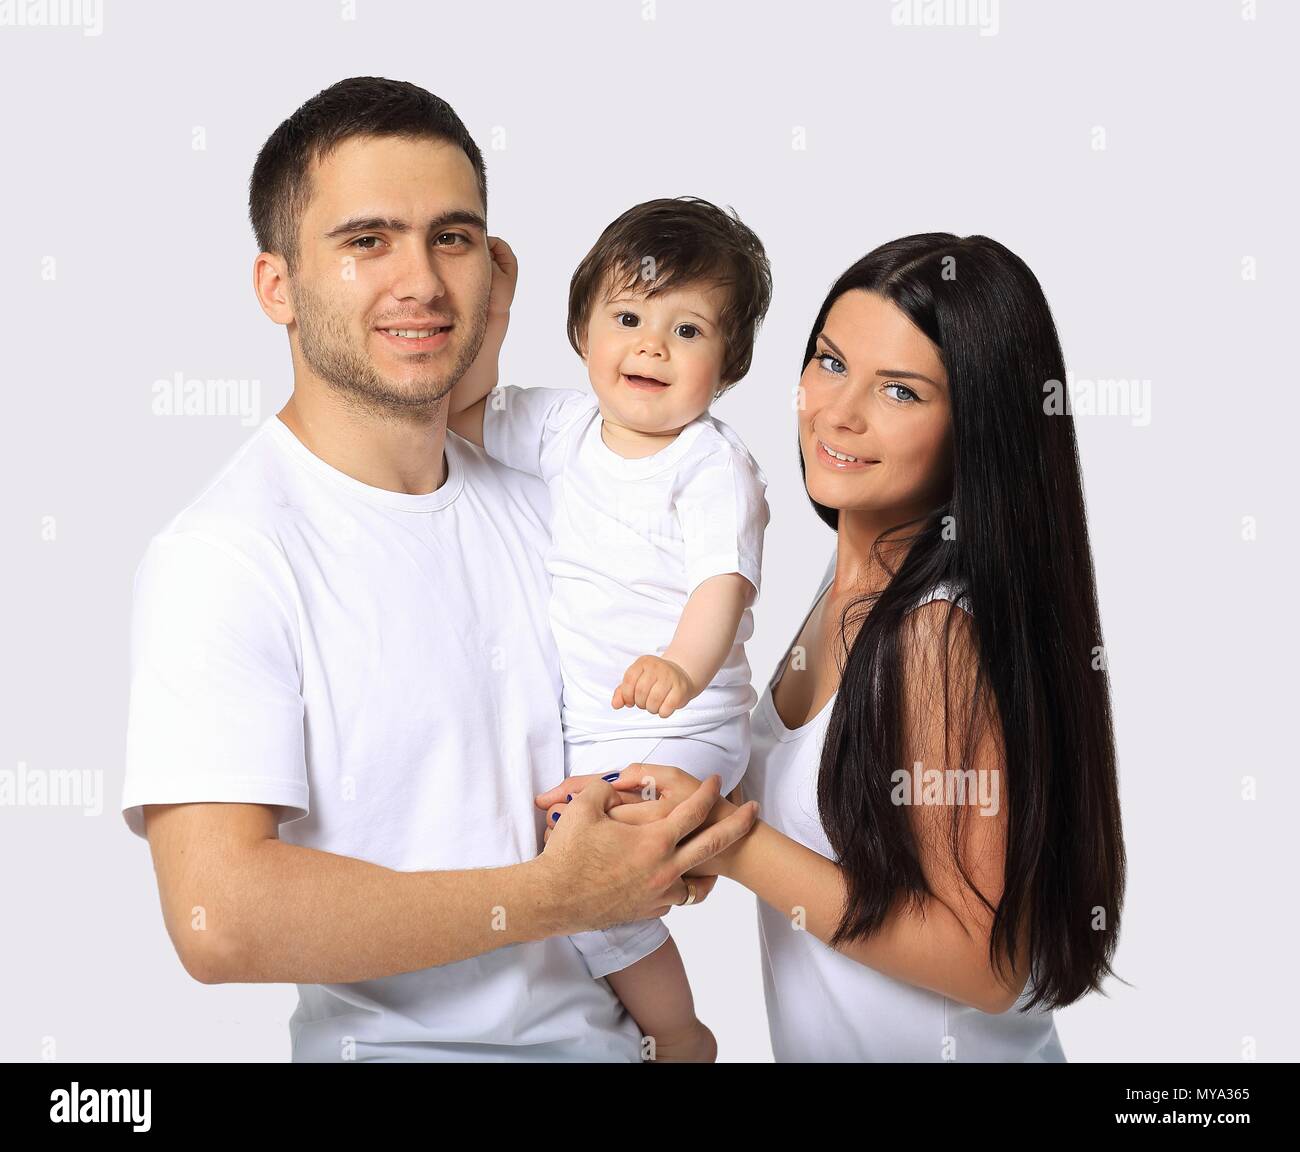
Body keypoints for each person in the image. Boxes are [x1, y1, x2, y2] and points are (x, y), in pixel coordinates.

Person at [119, 76, 755, 1063]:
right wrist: (556, 896)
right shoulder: (226, 555)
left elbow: (679, 707)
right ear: (277, 286)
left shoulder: (549, 495)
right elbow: (219, 919)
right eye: (368, 240)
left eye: (451, 238)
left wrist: (678, 828)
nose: (420, 280)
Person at [540, 234, 1127, 1061]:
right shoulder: (849, 578)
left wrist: (732, 841)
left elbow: (987, 966)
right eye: (830, 362)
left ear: (978, 424)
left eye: (900, 390)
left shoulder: (936, 635)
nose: (839, 412)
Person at [446, 196, 771, 1061]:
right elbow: (463, 409)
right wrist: (494, 317)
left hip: (684, 725)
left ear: (729, 365)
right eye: (628, 319)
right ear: (582, 332)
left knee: (589, 872)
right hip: (592, 727)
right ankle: (638, 1019)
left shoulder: (711, 464)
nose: (651, 346)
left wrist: (681, 666)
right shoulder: (565, 427)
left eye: (688, 331)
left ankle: (679, 1033)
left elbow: (722, 585)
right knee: (570, 878)